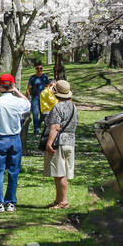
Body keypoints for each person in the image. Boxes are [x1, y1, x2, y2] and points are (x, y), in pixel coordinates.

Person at [0, 73, 29, 212]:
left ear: (0, 86)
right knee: (13, 171)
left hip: (0, 139)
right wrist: (18, 92)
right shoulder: (18, 102)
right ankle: (10, 203)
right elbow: (28, 104)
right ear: (12, 85)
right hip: (15, 139)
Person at [42, 79, 78, 209]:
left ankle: (63, 201)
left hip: (60, 142)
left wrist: (49, 143)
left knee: (59, 173)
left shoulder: (57, 107)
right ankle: (58, 200)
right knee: (62, 173)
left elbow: (55, 127)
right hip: (70, 141)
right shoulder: (73, 106)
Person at [26, 62, 51, 141]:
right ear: (35, 69)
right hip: (35, 98)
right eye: (37, 68)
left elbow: (48, 86)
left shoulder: (45, 77)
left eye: (40, 68)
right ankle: (36, 131)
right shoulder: (32, 78)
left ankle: (38, 125)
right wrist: (26, 96)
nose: (39, 70)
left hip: (44, 98)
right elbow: (28, 88)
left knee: (43, 114)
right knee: (35, 114)